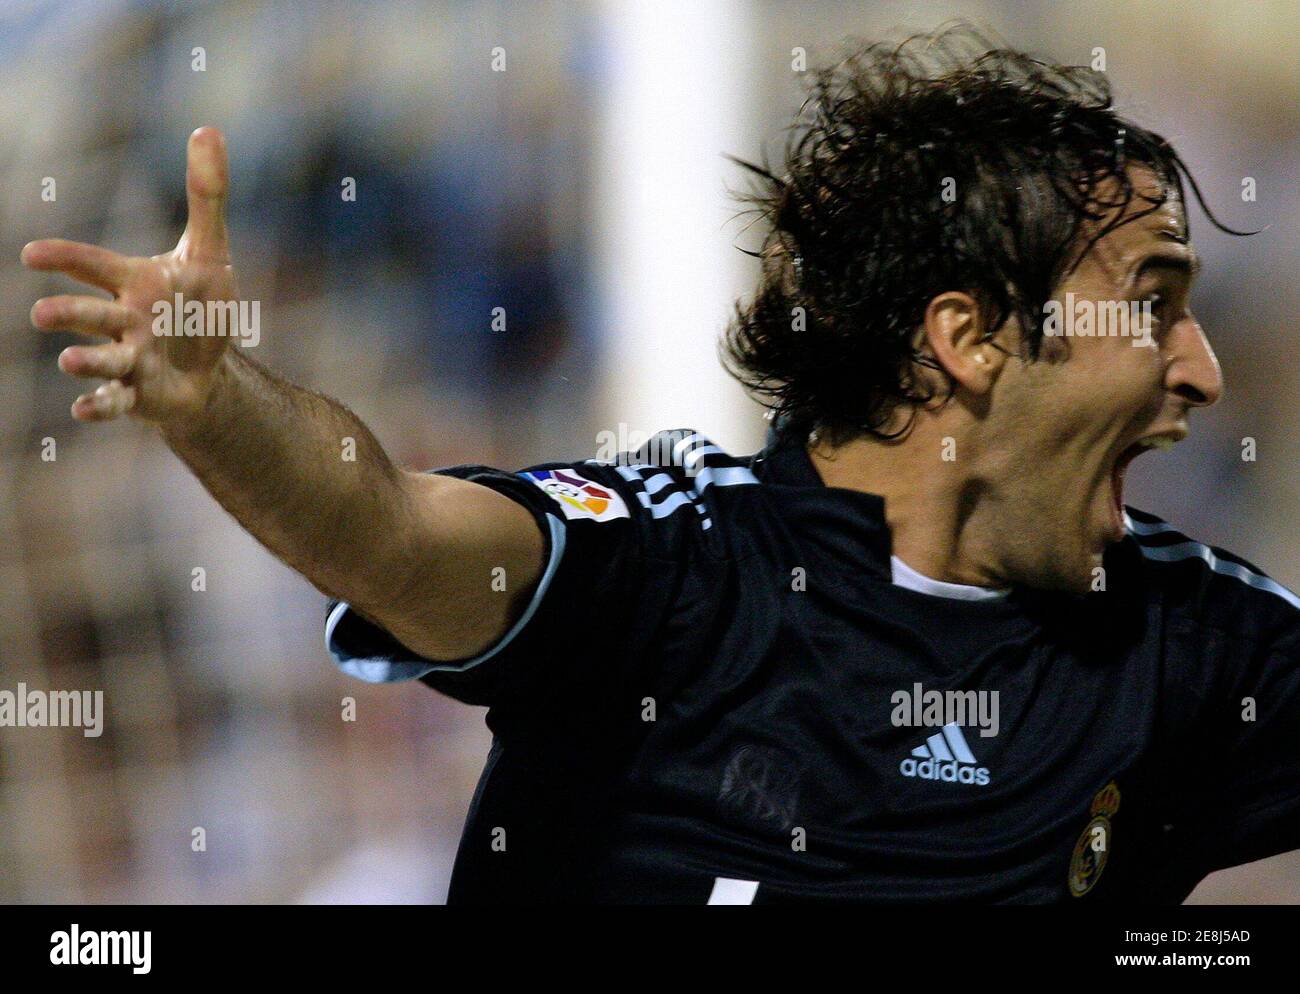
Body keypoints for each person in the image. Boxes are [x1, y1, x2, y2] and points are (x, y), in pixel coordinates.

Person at [23, 29, 1298, 904]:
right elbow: (391, 534)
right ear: (965, 340)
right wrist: (215, 402)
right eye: (1149, 305)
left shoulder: (1190, 644)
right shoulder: (676, 569)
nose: (1198, 368)